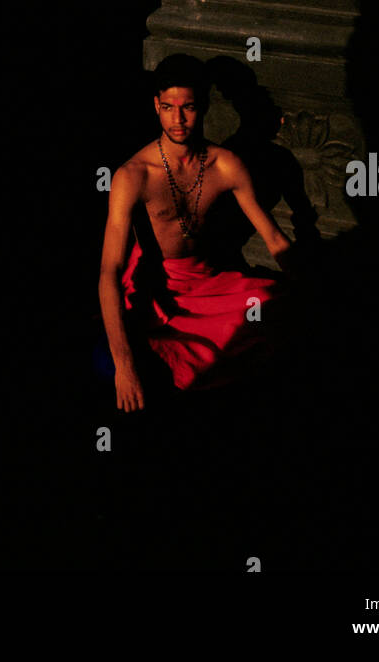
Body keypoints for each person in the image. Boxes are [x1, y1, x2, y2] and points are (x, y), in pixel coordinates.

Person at [98, 54, 293, 411]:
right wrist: (123, 368)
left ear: (202, 106)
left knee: (278, 304)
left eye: (187, 107)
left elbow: (276, 240)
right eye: (169, 107)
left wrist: (312, 295)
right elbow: (109, 270)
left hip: (207, 282)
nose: (178, 118)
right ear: (156, 106)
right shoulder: (133, 175)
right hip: (159, 291)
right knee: (167, 363)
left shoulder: (225, 164)